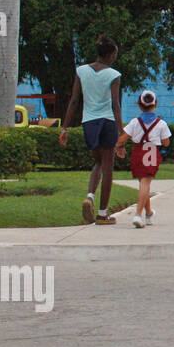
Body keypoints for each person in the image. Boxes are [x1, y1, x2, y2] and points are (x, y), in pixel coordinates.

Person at [59, 35, 122, 224]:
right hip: (108, 123)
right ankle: (103, 214)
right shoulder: (114, 75)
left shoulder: (81, 71)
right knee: (108, 168)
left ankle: (90, 196)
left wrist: (65, 128)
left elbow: (74, 101)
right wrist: (121, 133)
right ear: (110, 55)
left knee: (97, 163)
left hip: (89, 123)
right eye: (115, 55)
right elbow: (115, 104)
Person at [114, 90, 172, 228]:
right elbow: (166, 142)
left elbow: (121, 138)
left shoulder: (135, 122)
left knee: (143, 184)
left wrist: (119, 147)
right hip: (152, 152)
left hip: (138, 152)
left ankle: (149, 213)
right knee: (145, 184)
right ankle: (138, 215)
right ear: (155, 104)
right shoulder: (161, 123)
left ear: (139, 105)